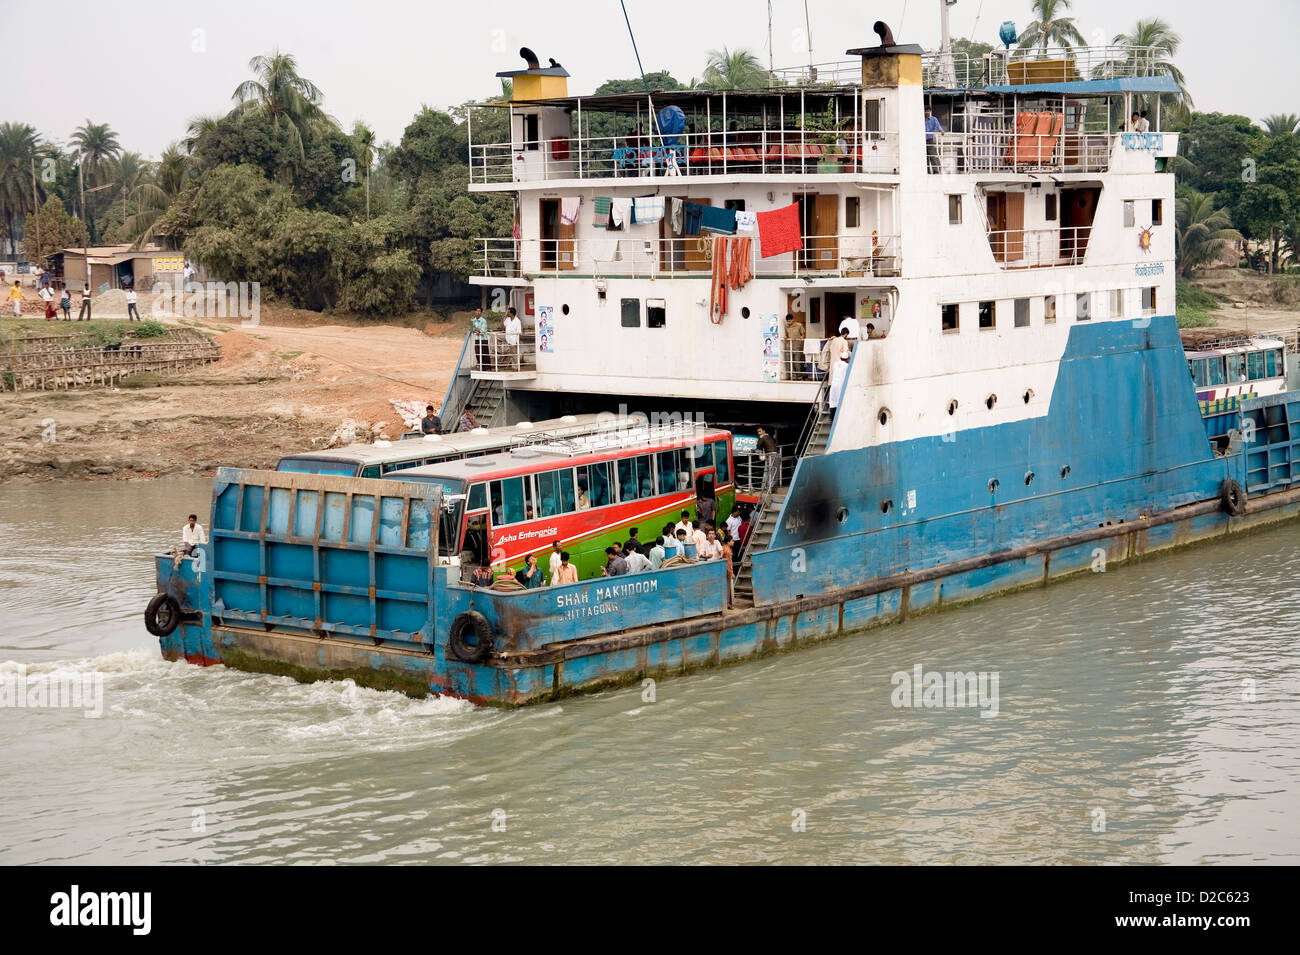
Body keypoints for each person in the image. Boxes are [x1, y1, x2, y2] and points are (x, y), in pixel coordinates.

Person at [828, 327, 851, 416]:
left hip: (833, 361)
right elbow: (845, 351)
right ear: (845, 334)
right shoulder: (844, 341)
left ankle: (831, 416)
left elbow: (830, 350)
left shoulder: (834, 340)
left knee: (833, 382)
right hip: (839, 362)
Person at [757, 426, 779, 492]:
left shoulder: (763, 437)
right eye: (758, 432)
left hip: (771, 454)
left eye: (760, 431)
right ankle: (773, 488)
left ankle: (768, 488)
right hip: (776, 454)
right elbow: (774, 441)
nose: (759, 433)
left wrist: (760, 448)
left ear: (764, 431)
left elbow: (758, 446)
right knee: (775, 471)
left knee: (770, 471)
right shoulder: (768, 436)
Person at [924, 106, 943, 172]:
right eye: (925, 111)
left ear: (930, 111)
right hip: (921, 140)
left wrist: (941, 130)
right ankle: (927, 171)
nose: (927, 112)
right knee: (924, 156)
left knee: (932, 155)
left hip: (929, 139)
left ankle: (935, 171)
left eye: (928, 111)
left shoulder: (933, 119)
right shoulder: (921, 119)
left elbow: (938, 125)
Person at [720, 530, 735, 608]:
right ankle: (727, 603)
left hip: (723, 569)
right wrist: (731, 572)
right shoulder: (728, 550)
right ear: (728, 542)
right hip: (727, 570)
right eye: (732, 541)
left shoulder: (723, 548)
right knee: (728, 587)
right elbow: (729, 562)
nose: (733, 542)